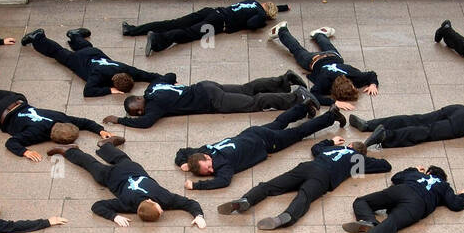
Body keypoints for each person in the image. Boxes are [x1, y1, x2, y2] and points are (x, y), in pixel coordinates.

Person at [218, 136, 391, 229]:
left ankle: (247, 199)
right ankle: (287, 216)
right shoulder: (358, 159)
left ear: (350, 144)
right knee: (305, 196)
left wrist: (331, 141)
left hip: (308, 167)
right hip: (323, 177)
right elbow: (385, 166)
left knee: (271, 186)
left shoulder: (334, 148)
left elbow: (315, 148)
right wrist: (365, 158)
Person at [176, 104, 345, 191]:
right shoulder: (204, 150)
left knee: (298, 132)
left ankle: (330, 116)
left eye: (209, 166)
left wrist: (197, 186)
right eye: (207, 172)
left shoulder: (223, 164)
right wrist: (184, 162)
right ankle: (303, 106)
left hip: (266, 143)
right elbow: (182, 152)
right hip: (252, 132)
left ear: (206, 158)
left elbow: (223, 181)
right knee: (279, 123)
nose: (212, 171)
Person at [50, 143, 206, 227]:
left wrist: (198, 216)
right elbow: (97, 206)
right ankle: (77, 150)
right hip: (112, 176)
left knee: (121, 159)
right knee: (92, 164)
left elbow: (188, 203)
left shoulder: (162, 197)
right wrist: (114, 216)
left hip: (130, 170)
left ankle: (105, 146)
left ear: (151, 202)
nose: (163, 207)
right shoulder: (126, 204)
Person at [104, 72, 315, 129]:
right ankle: (283, 80)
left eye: (137, 110)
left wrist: (120, 120)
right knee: (246, 89)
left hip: (213, 100)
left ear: (140, 101)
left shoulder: (155, 106)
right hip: (205, 85)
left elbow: (146, 123)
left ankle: (296, 97)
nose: (140, 113)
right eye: (137, 113)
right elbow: (168, 75)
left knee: (254, 102)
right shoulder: (153, 88)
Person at [337, 166, 464, 233]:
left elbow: (396, 177)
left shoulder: (416, 174)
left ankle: (369, 221)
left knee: (361, 201)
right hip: (417, 205)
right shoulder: (444, 186)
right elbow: (456, 204)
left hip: (402, 190)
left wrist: (414, 169)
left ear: (428, 172)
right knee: (391, 223)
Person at [22, 27, 167, 97]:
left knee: (85, 46)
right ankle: (38, 37)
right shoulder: (98, 76)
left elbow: (148, 75)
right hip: (78, 61)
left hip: (94, 54)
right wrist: (109, 90)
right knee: (58, 52)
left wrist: (166, 80)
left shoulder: (127, 69)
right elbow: (88, 91)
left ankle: (75, 35)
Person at [269, 22, 378, 107]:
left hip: (334, 57)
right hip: (314, 61)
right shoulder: (325, 81)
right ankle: (282, 30)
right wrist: (334, 102)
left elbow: (371, 74)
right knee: (297, 50)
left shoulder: (355, 76)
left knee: (327, 47)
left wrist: (373, 84)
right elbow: (313, 94)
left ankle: (319, 34)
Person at [122, 0, 284, 55]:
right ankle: (157, 40)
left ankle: (132, 30)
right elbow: (252, 24)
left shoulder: (252, 2)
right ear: (268, 15)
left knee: (173, 22)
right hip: (219, 22)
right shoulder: (261, 15)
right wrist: (263, 22)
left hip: (212, 11)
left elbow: (268, 8)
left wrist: (283, 7)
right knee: (187, 34)